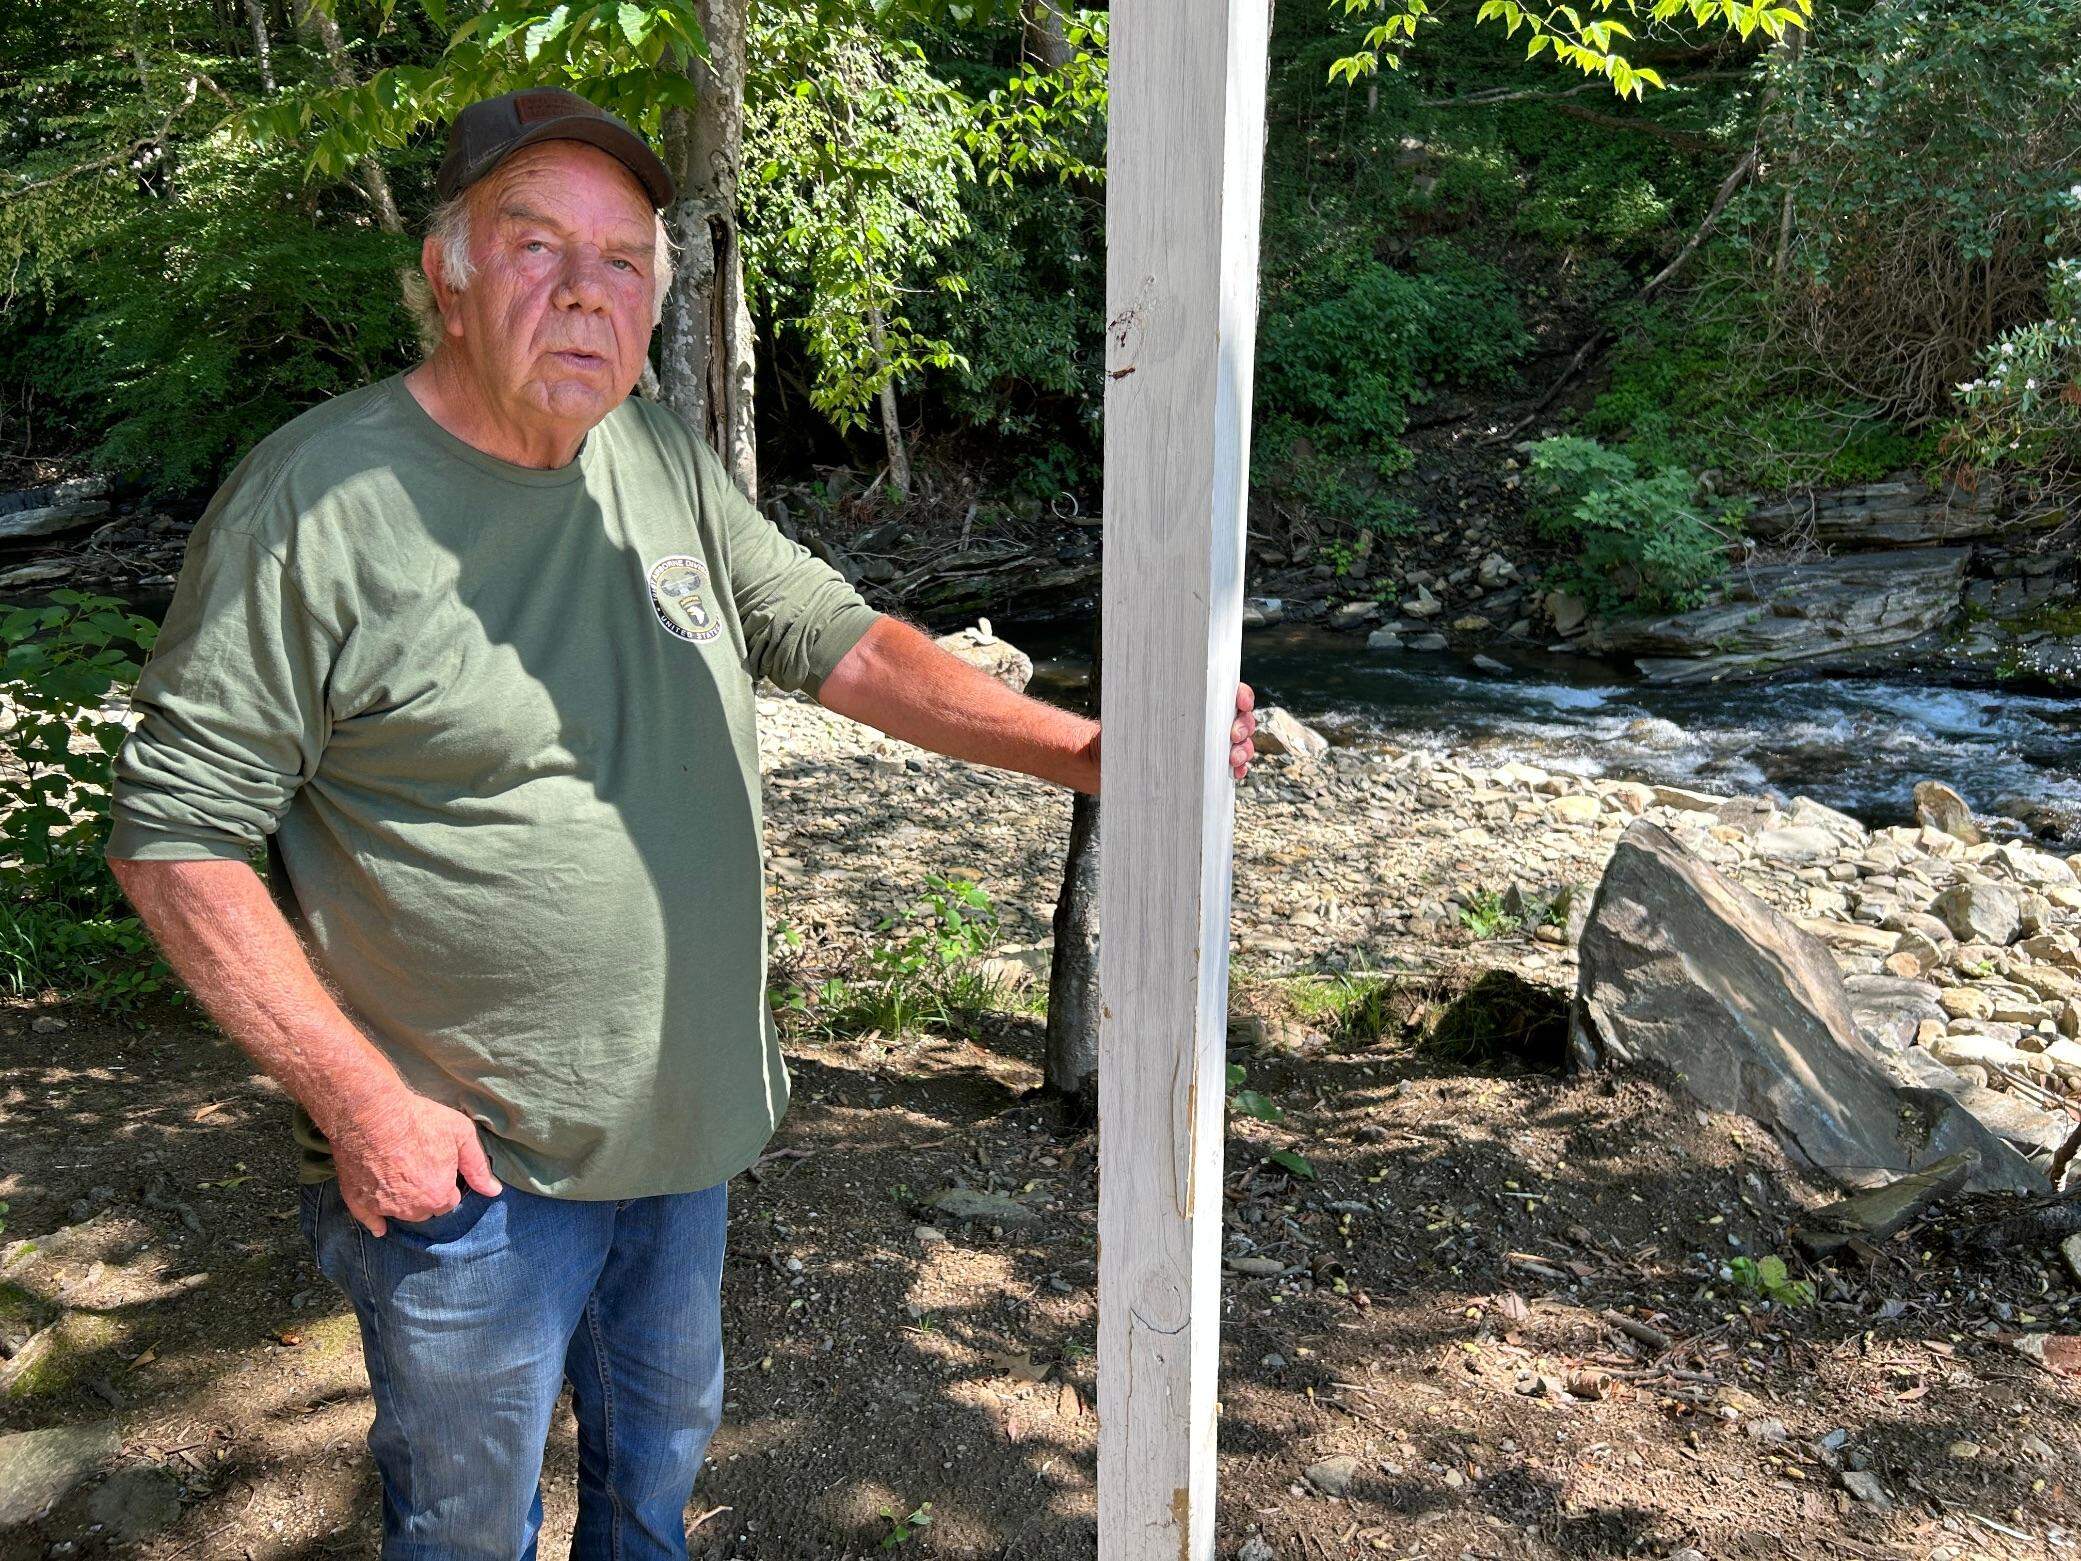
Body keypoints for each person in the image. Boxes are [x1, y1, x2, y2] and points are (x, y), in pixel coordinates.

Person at [105, 87, 1259, 1559]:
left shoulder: (647, 450)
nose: (587, 292)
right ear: (446, 274)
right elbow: (175, 838)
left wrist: (1101, 754)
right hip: (471, 1171)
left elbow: (835, 639)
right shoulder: (317, 505)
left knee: (651, 1502)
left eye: (625, 260)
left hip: (683, 1136)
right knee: (463, 1530)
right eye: (536, 247)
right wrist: (359, 1100)